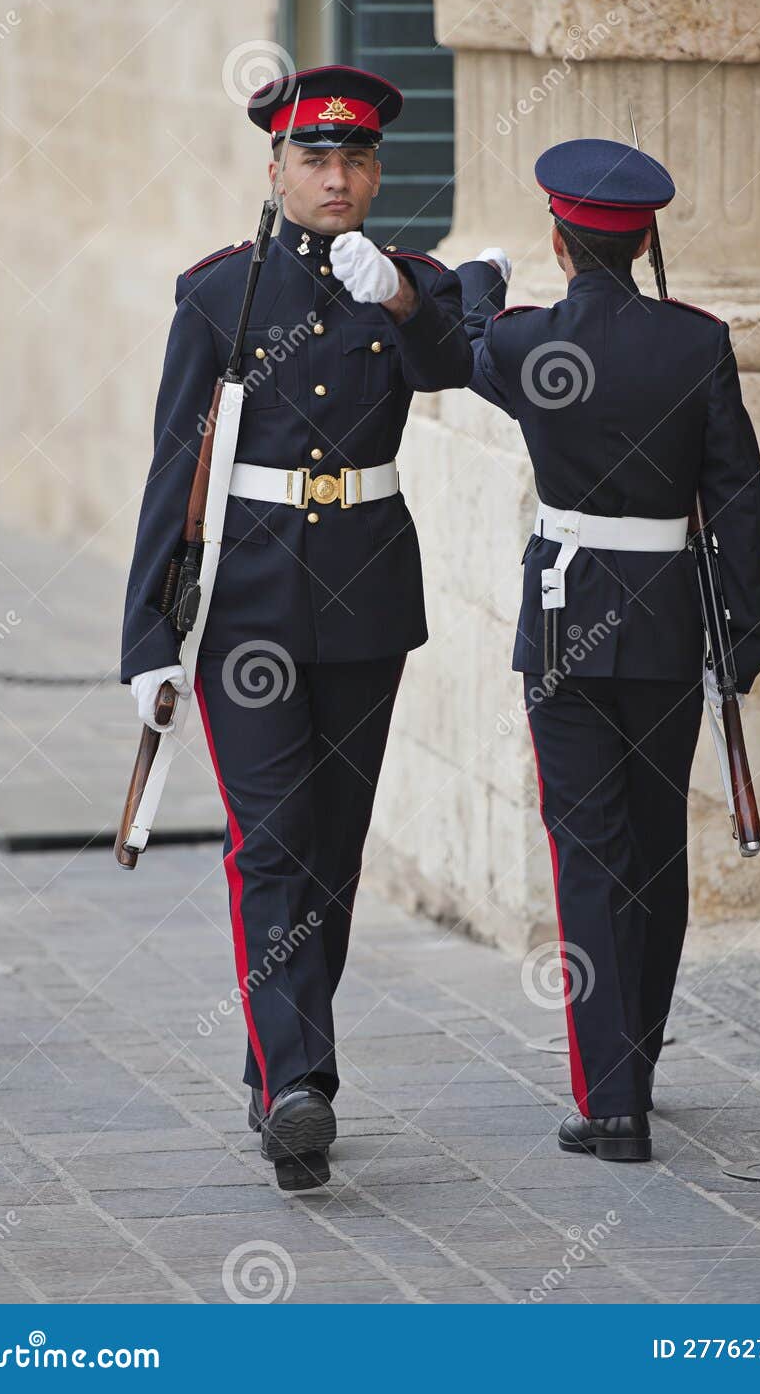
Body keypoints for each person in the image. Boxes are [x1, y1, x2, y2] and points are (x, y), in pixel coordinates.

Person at [120, 65, 472, 1189]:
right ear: (274, 171)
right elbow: (175, 464)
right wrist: (145, 641)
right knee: (268, 843)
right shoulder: (219, 293)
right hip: (254, 603)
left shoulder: (410, 284)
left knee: (331, 851)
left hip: (366, 595)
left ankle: (281, 1055)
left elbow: (457, 368)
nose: (338, 176)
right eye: (316, 158)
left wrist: (408, 303)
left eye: (357, 159)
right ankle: (297, 1086)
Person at [454, 137, 760, 1162]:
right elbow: (735, 493)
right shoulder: (697, 343)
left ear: (559, 238)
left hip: (566, 615)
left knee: (587, 852)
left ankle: (611, 1101)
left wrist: (476, 283)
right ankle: (635, 1054)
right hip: (671, 615)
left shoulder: (531, 342)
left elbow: (468, 345)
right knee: (654, 839)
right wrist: (745, 628)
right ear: (643, 241)